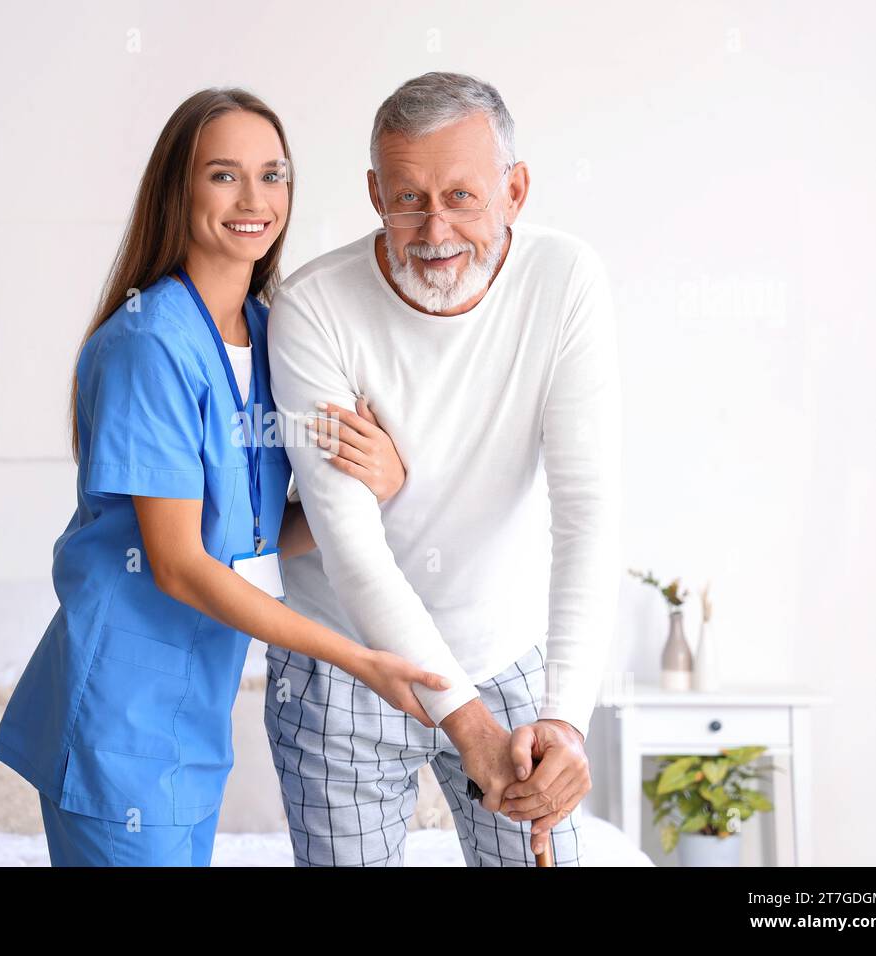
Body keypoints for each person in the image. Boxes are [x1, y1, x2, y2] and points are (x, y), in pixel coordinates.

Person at [0, 87, 450, 867]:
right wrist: (359, 658)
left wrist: (370, 484)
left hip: (190, 724)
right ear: (180, 188)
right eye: (223, 175)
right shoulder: (149, 344)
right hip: (120, 724)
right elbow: (177, 563)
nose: (254, 200)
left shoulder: (273, 337)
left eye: (274, 176)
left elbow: (251, 533)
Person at [264, 71, 623, 866]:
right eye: (408, 198)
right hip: (343, 664)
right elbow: (348, 544)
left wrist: (562, 719)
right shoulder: (314, 307)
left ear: (515, 190)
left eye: (462, 196)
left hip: (503, 649)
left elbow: (587, 507)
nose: (434, 229)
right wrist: (467, 726)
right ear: (373, 193)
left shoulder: (564, 281)